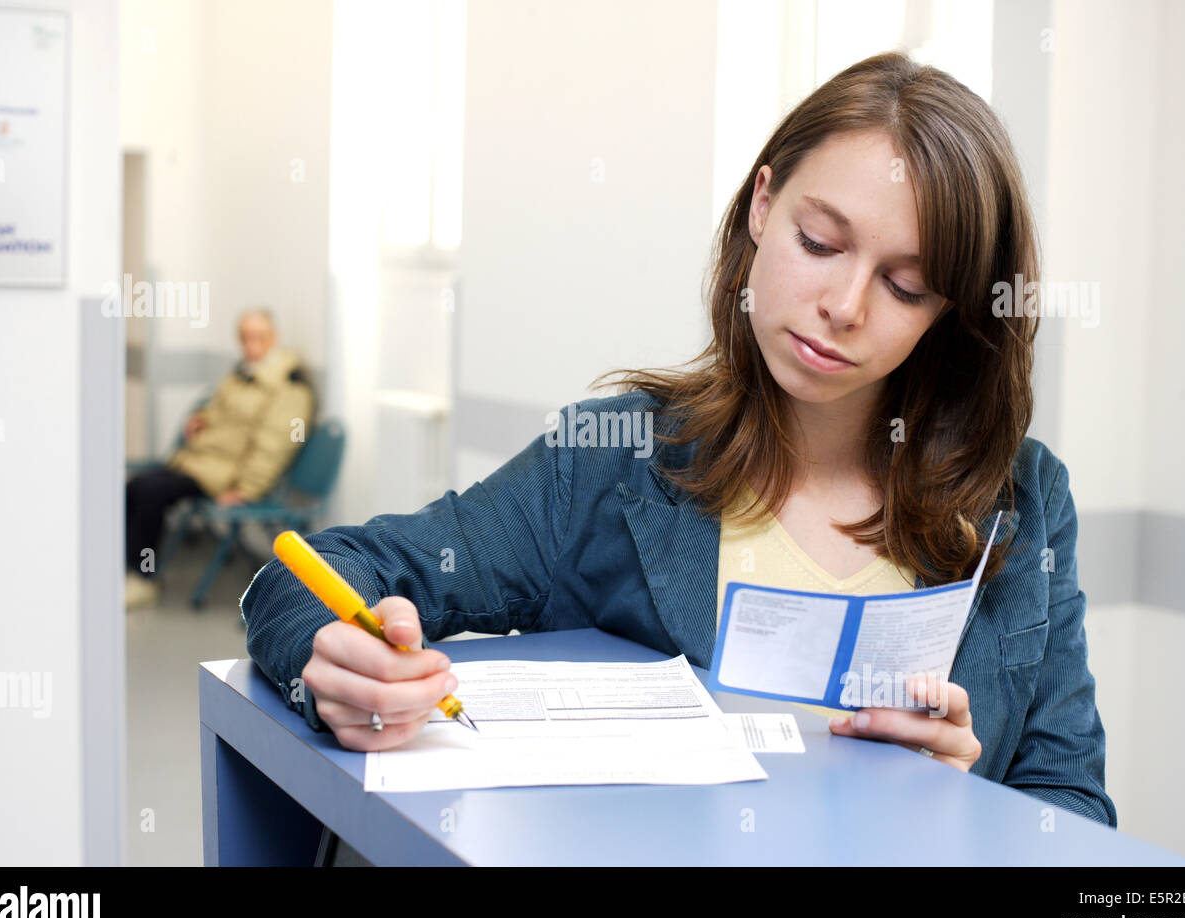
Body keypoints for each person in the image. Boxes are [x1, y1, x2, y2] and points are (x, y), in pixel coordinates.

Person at [240, 52, 1117, 827]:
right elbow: (305, 575)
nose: (844, 308)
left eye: (906, 285)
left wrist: (963, 816)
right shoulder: (611, 461)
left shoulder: (1021, 504)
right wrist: (333, 668)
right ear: (762, 207)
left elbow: (1072, 810)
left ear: (953, 312)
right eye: (819, 241)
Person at [125, 308, 314, 609]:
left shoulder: (288, 386)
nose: (251, 344)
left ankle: (143, 578)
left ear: (274, 338)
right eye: (245, 338)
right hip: (201, 461)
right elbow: (220, 410)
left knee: (149, 492)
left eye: (259, 337)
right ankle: (132, 569)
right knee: (134, 487)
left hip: (222, 475)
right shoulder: (243, 374)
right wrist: (201, 419)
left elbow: (273, 447)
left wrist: (246, 490)